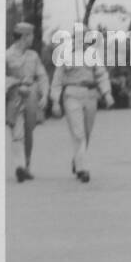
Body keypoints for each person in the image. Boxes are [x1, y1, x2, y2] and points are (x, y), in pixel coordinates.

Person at [49, 28, 115, 183]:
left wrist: (107, 93)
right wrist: (55, 101)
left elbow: (101, 74)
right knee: (79, 134)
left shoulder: (93, 54)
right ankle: (82, 169)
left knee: (87, 133)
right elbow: (57, 80)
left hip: (90, 95)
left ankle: (77, 159)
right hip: (72, 95)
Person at [5, 21, 49, 182]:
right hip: (14, 96)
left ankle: (26, 165)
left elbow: (42, 76)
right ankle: (19, 167)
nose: (32, 38)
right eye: (30, 35)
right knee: (17, 133)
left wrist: (44, 95)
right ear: (24, 37)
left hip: (31, 96)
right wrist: (16, 83)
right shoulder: (7, 56)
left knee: (28, 132)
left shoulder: (33, 56)